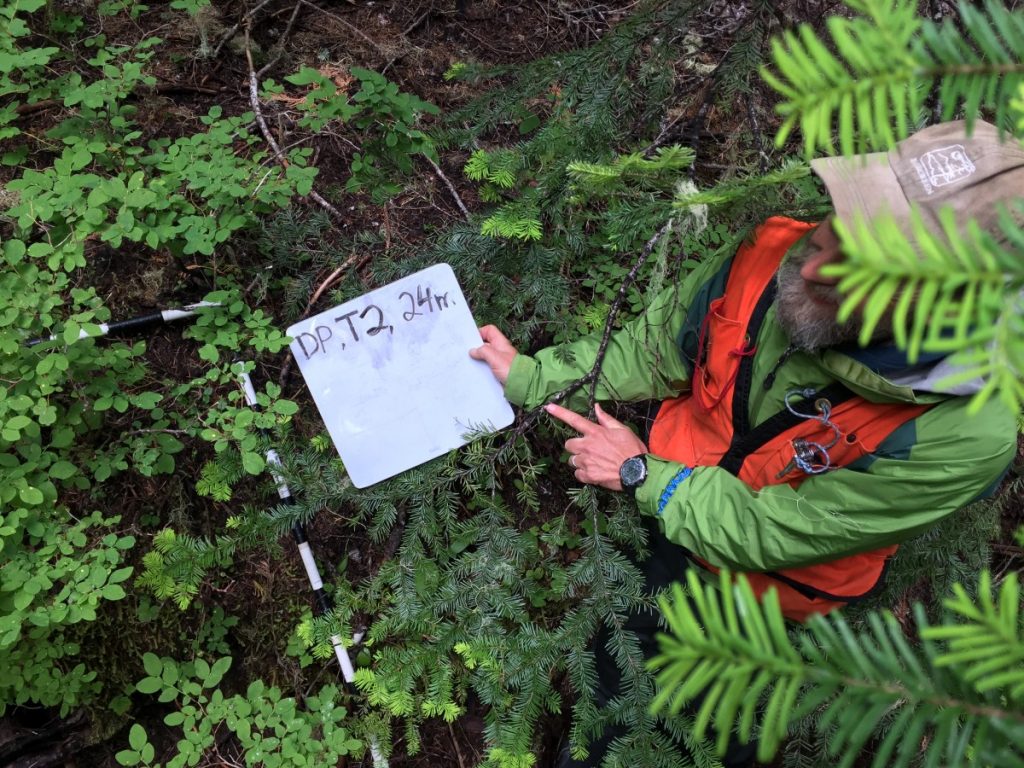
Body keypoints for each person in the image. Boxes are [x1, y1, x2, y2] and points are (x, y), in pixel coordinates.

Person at [469, 119, 1022, 766]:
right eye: (836, 223)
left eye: (852, 269)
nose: (811, 263)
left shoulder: (965, 428)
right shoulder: (769, 254)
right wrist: (532, 376)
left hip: (769, 609)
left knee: (704, 741)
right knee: (615, 690)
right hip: (665, 522)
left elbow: (785, 530)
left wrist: (643, 475)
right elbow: (655, 346)